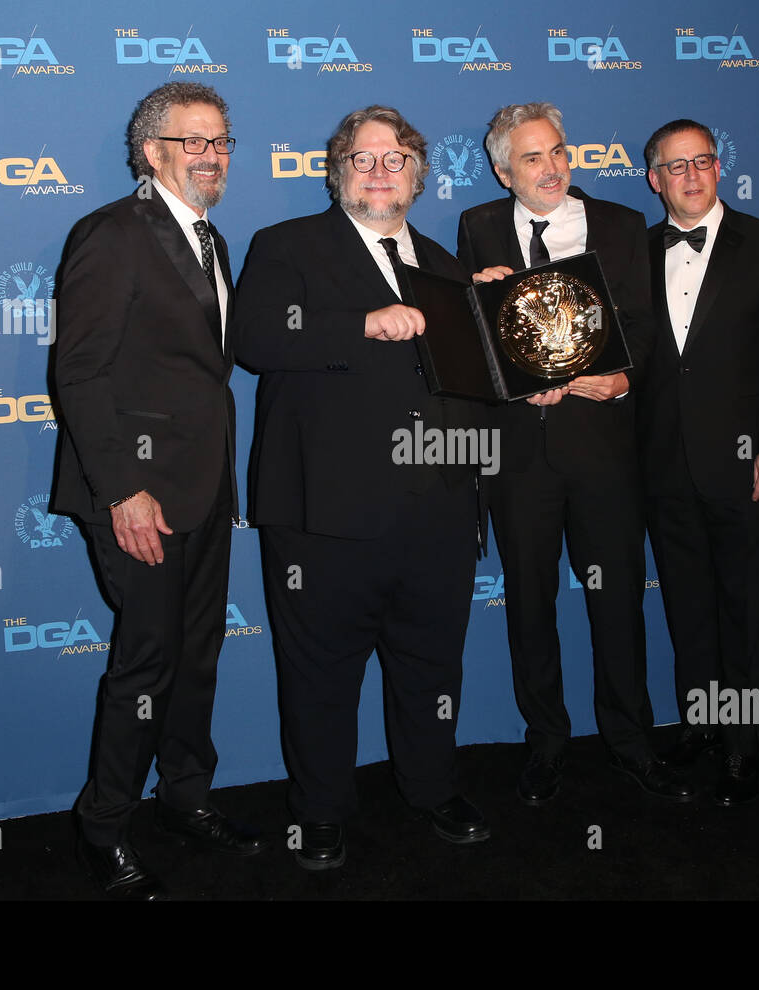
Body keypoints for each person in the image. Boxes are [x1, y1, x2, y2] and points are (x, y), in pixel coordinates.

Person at [233, 106, 490, 871]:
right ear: (336, 171)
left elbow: (476, 387)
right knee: (320, 677)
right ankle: (319, 811)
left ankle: (432, 787)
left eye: (396, 158)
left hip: (437, 514)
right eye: (362, 158)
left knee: (432, 667)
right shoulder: (286, 247)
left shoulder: (446, 267)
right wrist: (361, 325)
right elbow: (253, 339)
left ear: (419, 175)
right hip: (324, 516)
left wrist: (505, 325)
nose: (380, 171)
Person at [52, 82, 262, 900]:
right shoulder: (112, 234)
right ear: (153, 153)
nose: (213, 155)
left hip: (206, 490)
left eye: (222, 140)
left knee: (196, 656)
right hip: (136, 494)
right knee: (145, 663)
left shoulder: (215, 240)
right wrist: (123, 491)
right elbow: (80, 371)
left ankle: (186, 799)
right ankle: (101, 826)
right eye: (194, 141)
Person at [458, 102, 689, 806]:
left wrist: (622, 380)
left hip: (603, 451)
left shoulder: (620, 224)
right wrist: (482, 310)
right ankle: (547, 744)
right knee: (529, 607)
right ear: (503, 171)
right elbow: (470, 344)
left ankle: (629, 741)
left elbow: (647, 328)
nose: (553, 167)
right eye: (532, 158)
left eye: (559, 151)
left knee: (616, 602)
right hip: (519, 458)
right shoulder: (478, 228)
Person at [637, 119, 759, 805]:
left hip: (744, 465)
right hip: (661, 465)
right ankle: (700, 725)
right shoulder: (637, 250)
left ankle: (742, 745)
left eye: (701, 161)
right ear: (654, 179)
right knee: (688, 608)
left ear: (719, 167)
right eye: (674, 166)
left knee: (743, 609)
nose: (689, 175)